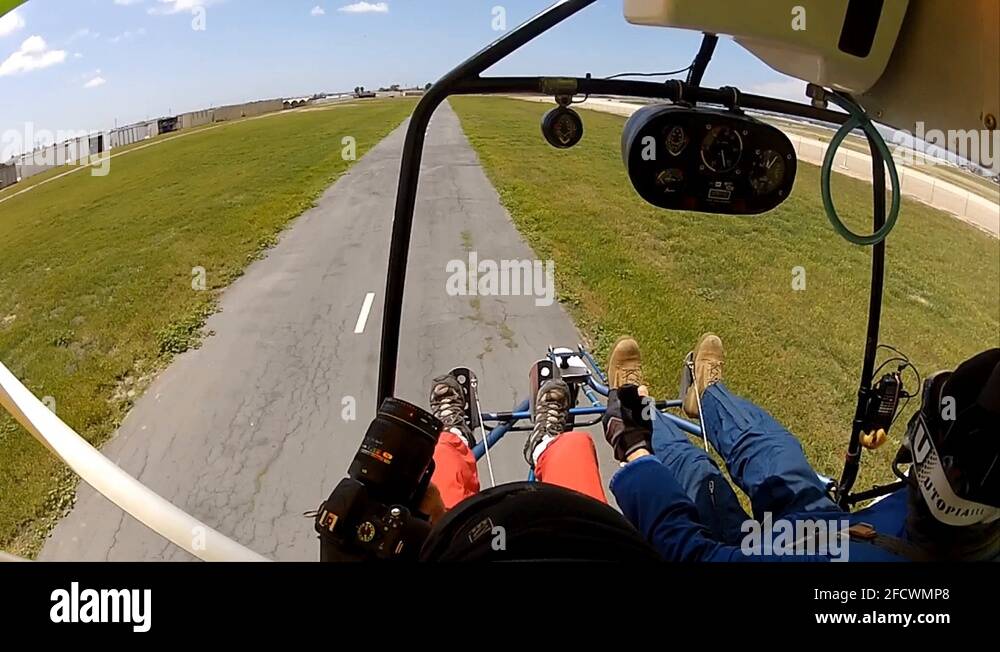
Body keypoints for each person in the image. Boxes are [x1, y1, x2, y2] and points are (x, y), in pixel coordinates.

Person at [602, 334, 1000, 562]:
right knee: (778, 456)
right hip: (841, 533)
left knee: (699, 480)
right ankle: (707, 395)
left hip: (784, 550)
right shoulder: (967, 524)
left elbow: (695, 558)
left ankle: (638, 414)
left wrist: (636, 453)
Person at [416, 368, 660, 561]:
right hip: (586, 547)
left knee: (439, 463)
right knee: (573, 446)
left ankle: (454, 434)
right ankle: (544, 443)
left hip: (460, 549)